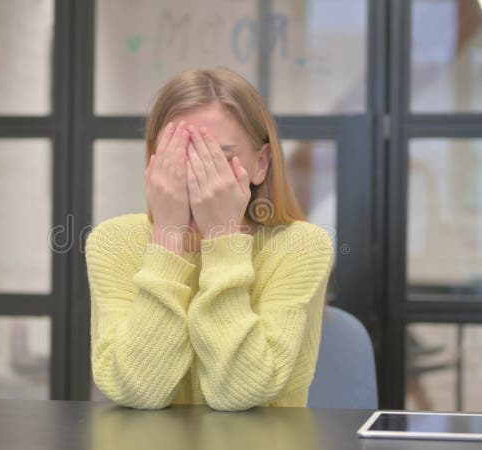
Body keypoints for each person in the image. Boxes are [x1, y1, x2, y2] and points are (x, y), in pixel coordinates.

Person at [85, 67, 334, 411]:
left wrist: (223, 238)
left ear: (261, 164)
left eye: (221, 158)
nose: (202, 176)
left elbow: (239, 391)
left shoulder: (302, 246)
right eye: (182, 156)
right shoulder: (114, 242)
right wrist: (168, 237)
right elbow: (137, 390)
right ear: (156, 161)